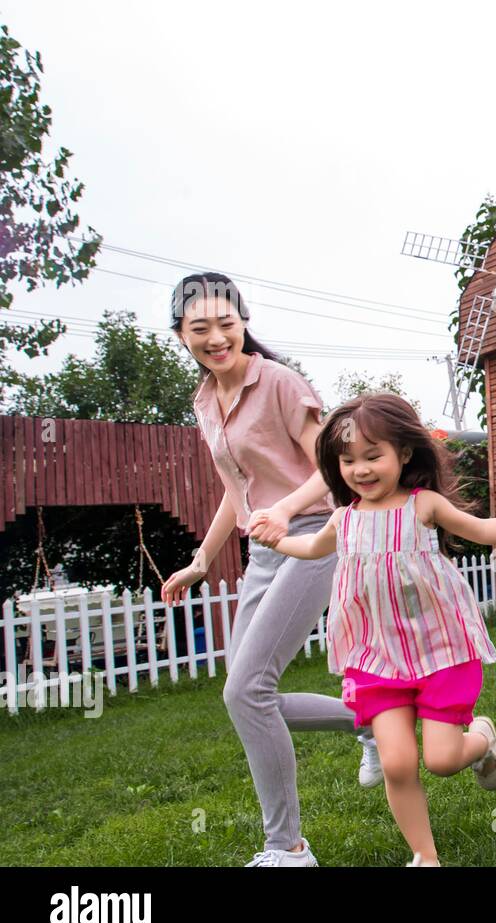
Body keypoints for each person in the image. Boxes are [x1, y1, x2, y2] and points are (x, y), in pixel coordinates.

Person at [266, 393, 496, 866]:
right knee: (398, 763)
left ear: (404, 453)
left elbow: (482, 530)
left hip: (440, 651)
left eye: (373, 456)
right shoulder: (342, 520)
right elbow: (309, 549)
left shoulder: (422, 505)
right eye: (348, 460)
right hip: (375, 658)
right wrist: (277, 536)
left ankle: (482, 738)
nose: (360, 470)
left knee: (442, 761)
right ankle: (425, 857)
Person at [161, 272, 381, 867]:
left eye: (225, 324)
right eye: (199, 328)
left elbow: (334, 468)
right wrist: (202, 561)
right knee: (247, 697)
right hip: (262, 551)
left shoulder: (279, 383)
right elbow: (237, 491)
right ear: (180, 335)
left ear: (244, 321)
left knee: (245, 688)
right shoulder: (206, 402)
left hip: (316, 534)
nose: (215, 337)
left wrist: (284, 509)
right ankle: (372, 720)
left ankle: (286, 848)